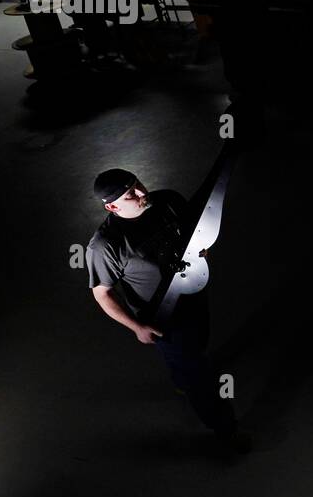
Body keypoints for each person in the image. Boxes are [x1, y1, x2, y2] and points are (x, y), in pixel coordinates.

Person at [86, 168, 246, 451]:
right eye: (130, 194)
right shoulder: (105, 245)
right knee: (198, 377)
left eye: (138, 184)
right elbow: (102, 293)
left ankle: (181, 377)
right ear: (112, 206)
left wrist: (202, 250)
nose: (141, 193)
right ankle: (226, 430)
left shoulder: (168, 200)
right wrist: (137, 327)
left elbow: (193, 232)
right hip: (163, 319)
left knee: (198, 344)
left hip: (194, 294)